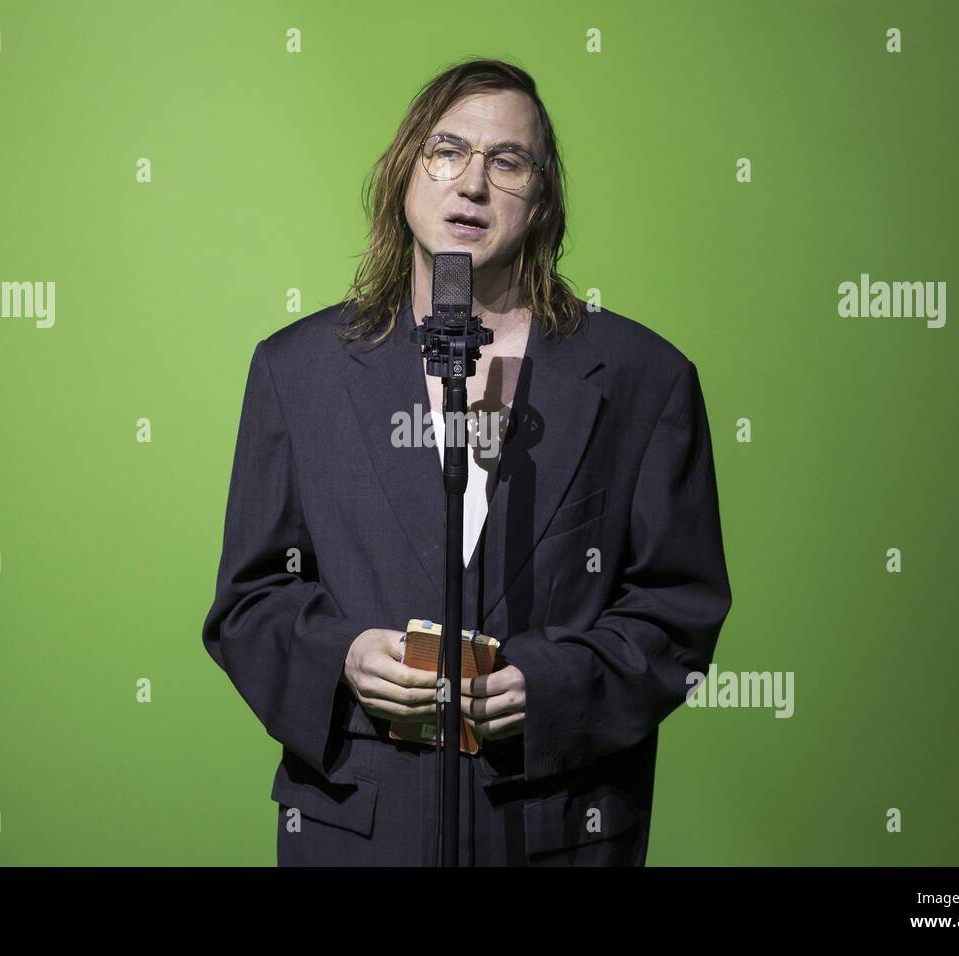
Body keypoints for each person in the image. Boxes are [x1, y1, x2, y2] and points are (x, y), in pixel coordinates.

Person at [201, 57, 732, 866]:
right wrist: (342, 656)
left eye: (507, 161)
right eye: (447, 151)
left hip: (556, 831)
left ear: (543, 197)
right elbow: (249, 602)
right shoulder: (294, 369)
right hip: (359, 829)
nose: (473, 185)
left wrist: (549, 686)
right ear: (404, 172)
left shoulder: (643, 379)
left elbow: (678, 612)